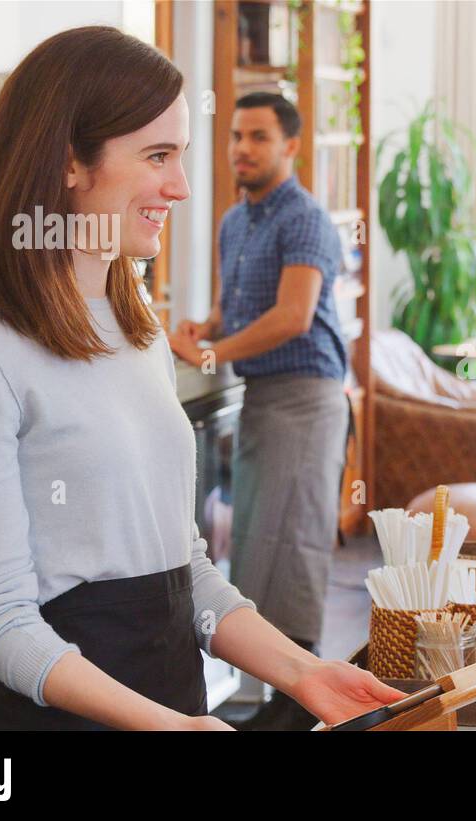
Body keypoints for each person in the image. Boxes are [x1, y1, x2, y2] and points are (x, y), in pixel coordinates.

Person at [0, 26, 403, 731]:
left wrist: (305, 672)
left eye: (182, 156)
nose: (181, 185)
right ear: (69, 163)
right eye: (157, 156)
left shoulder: (134, 321)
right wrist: (169, 726)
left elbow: (186, 568)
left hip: (171, 699)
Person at [167, 92, 350, 730]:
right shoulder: (233, 221)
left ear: (291, 146)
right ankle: (279, 699)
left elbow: (292, 317)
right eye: (235, 135)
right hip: (263, 399)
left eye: (258, 137)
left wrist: (213, 351)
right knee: (255, 546)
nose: (242, 148)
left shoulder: (304, 219)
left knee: (292, 545)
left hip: (305, 397)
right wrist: (202, 328)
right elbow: (235, 309)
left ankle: (300, 707)